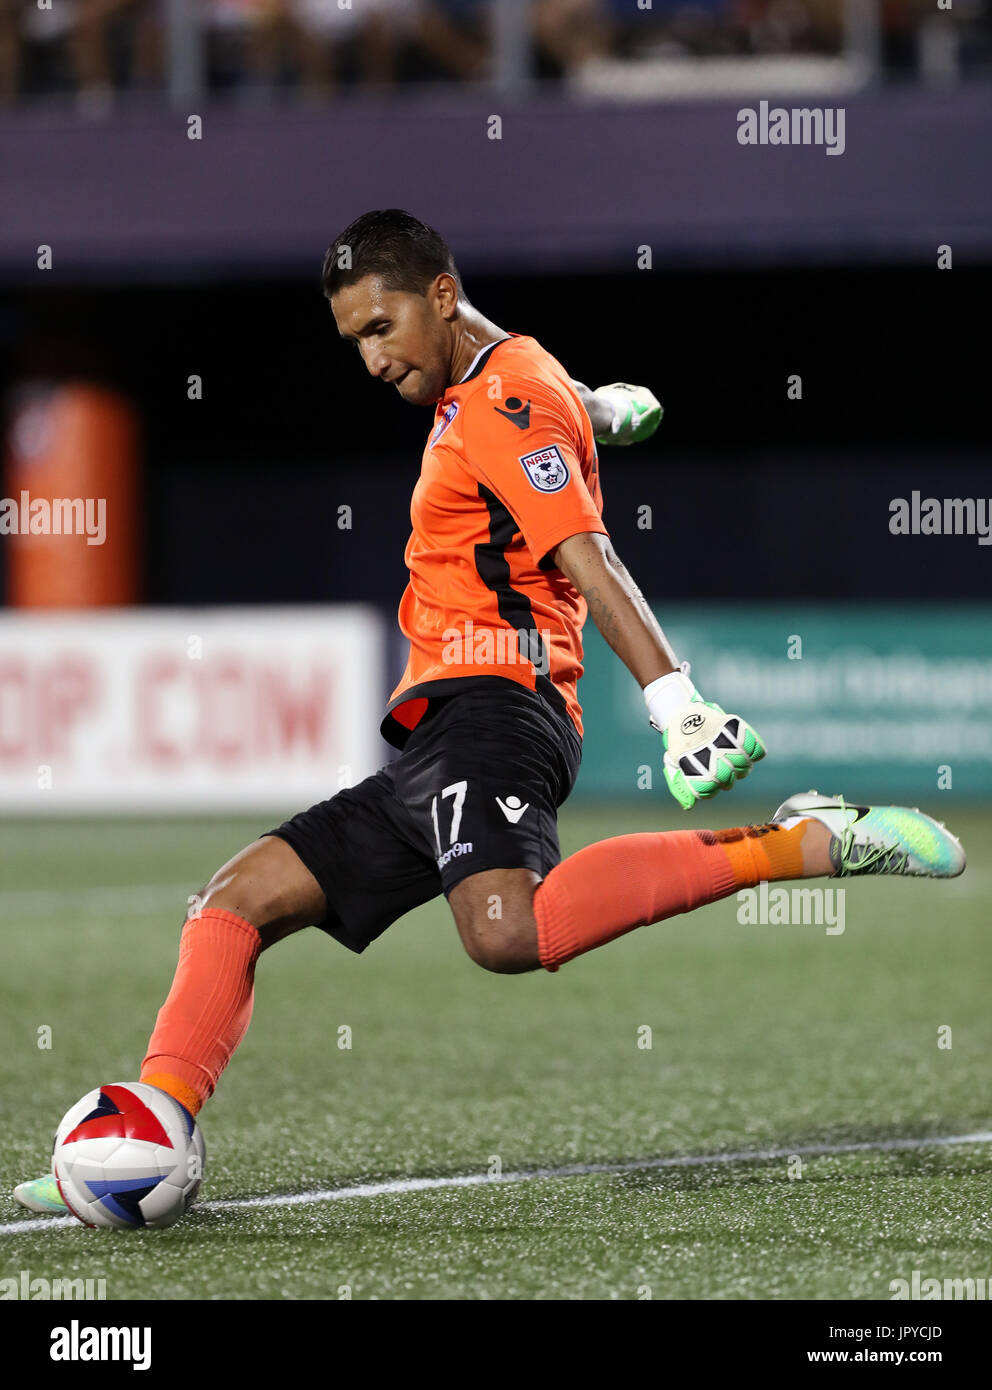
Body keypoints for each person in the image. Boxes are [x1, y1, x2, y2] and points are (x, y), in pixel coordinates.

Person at [15, 208, 965, 1221]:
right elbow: (534, 402)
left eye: (380, 328)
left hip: (500, 704)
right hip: (441, 732)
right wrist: (598, 410)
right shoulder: (504, 379)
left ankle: (800, 842)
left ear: (437, 296)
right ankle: (146, 1135)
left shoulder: (499, 401)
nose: (370, 359)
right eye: (351, 343)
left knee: (506, 932)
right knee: (234, 899)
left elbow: (586, 556)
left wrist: (674, 702)